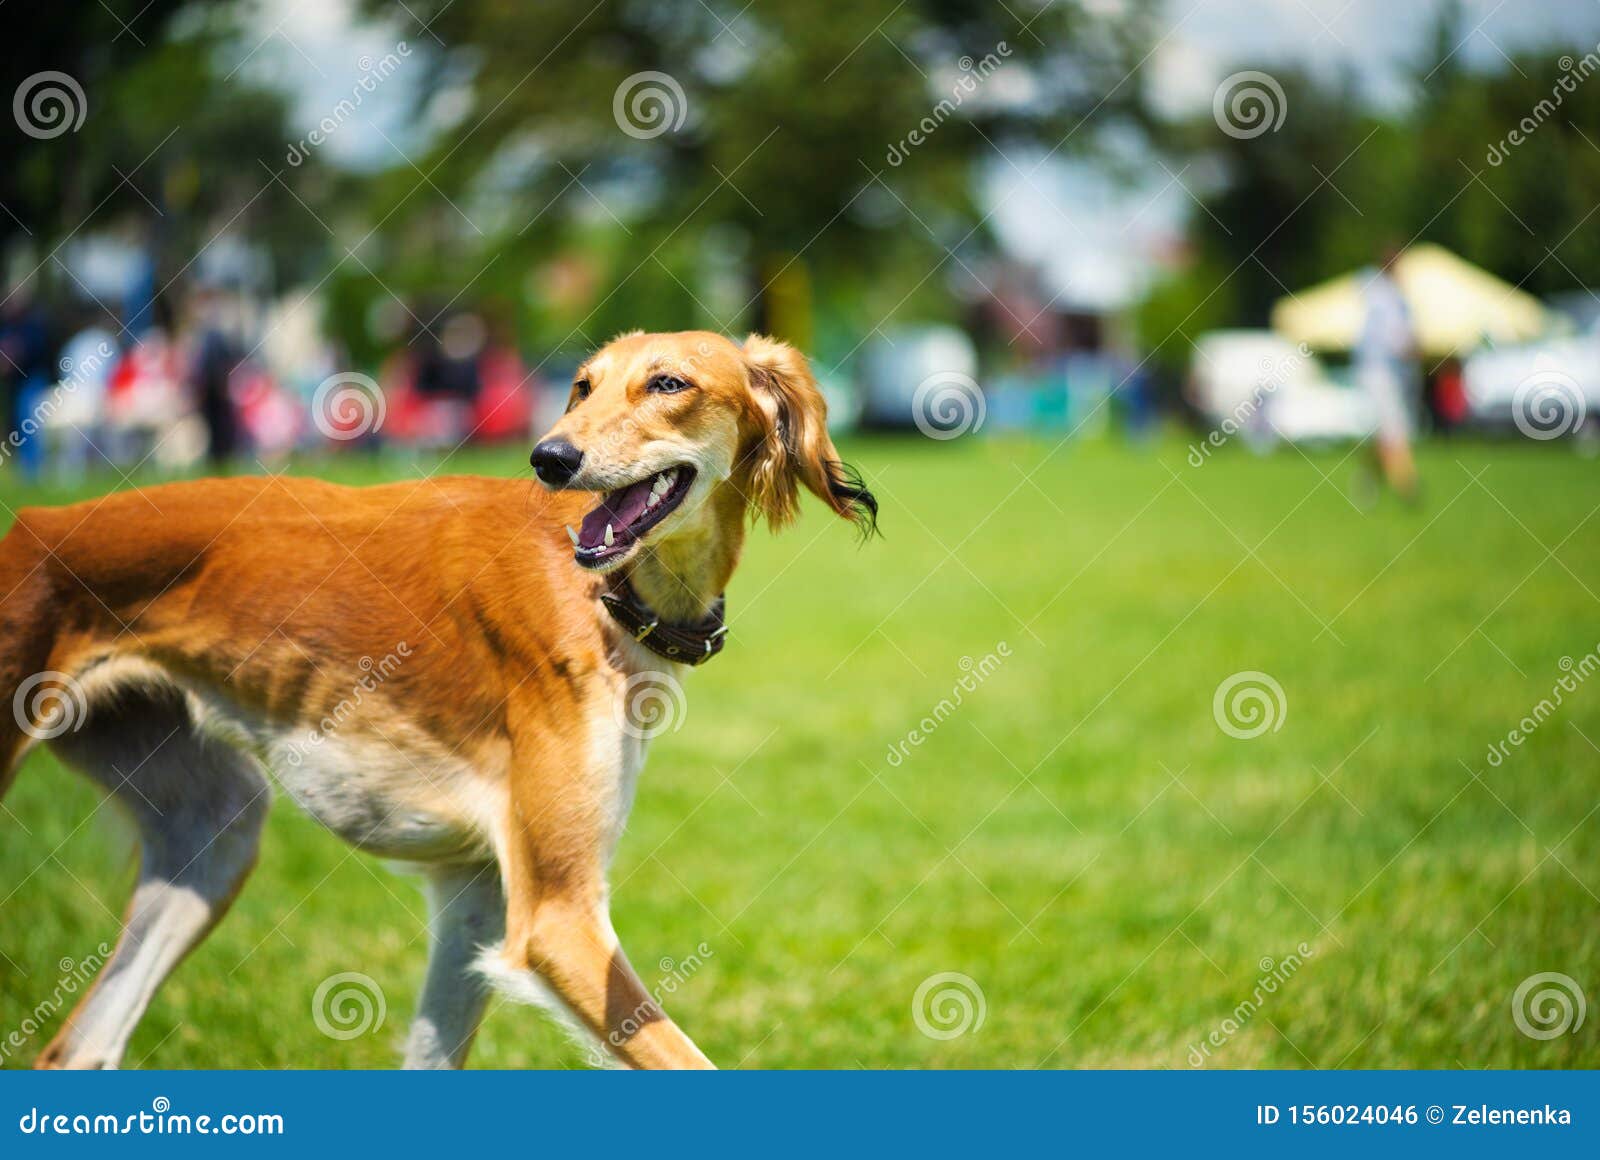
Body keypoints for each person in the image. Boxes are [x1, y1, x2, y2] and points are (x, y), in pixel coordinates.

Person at [1354, 246, 1420, 502]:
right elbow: (1396, 339)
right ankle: (1408, 485)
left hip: (1384, 373)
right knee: (1394, 431)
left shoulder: (1384, 293)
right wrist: (1414, 349)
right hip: (1380, 373)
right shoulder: (1386, 296)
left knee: (1381, 433)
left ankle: (1365, 482)